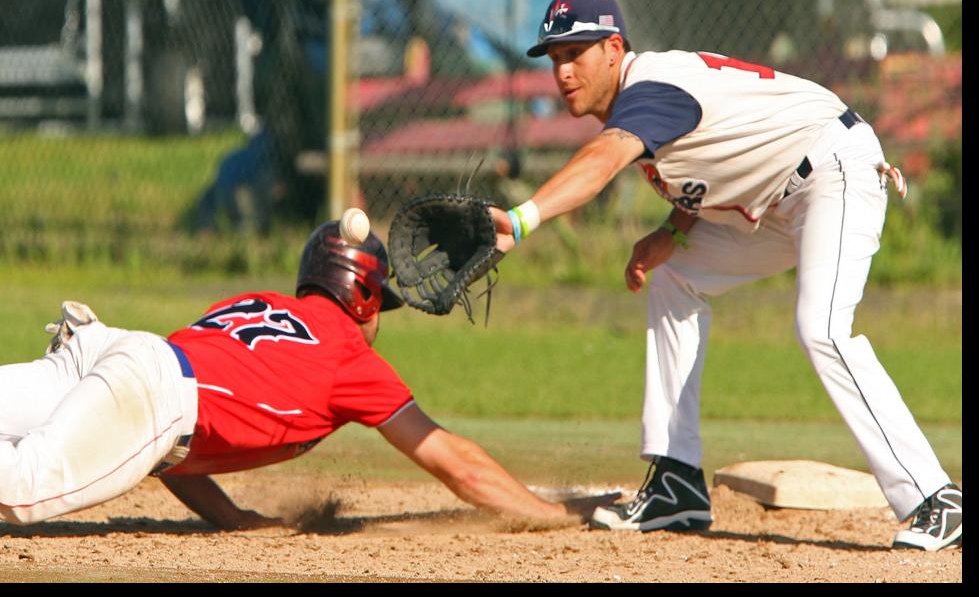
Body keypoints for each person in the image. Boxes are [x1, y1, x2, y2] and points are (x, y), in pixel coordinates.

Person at [485, 0, 962, 551]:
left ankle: (937, 499)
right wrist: (671, 233)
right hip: (776, 200)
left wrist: (521, 220)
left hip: (835, 173)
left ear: (614, 48)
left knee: (822, 328)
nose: (563, 72)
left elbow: (603, 160)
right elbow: (718, 155)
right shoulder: (645, 97)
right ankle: (676, 481)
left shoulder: (649, 89)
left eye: (577, 53)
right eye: (556, 58)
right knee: (674, 276)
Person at [2, 219, 600, 530]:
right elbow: (454, 461)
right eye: (379, 305)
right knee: (25, 488)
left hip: (111, 351)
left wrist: (233, 519)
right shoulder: (349, 357)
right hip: (148, 391)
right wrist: (549, 513)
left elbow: (164, 443)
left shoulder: (254, 302)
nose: (378, 319)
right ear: (363, 298)